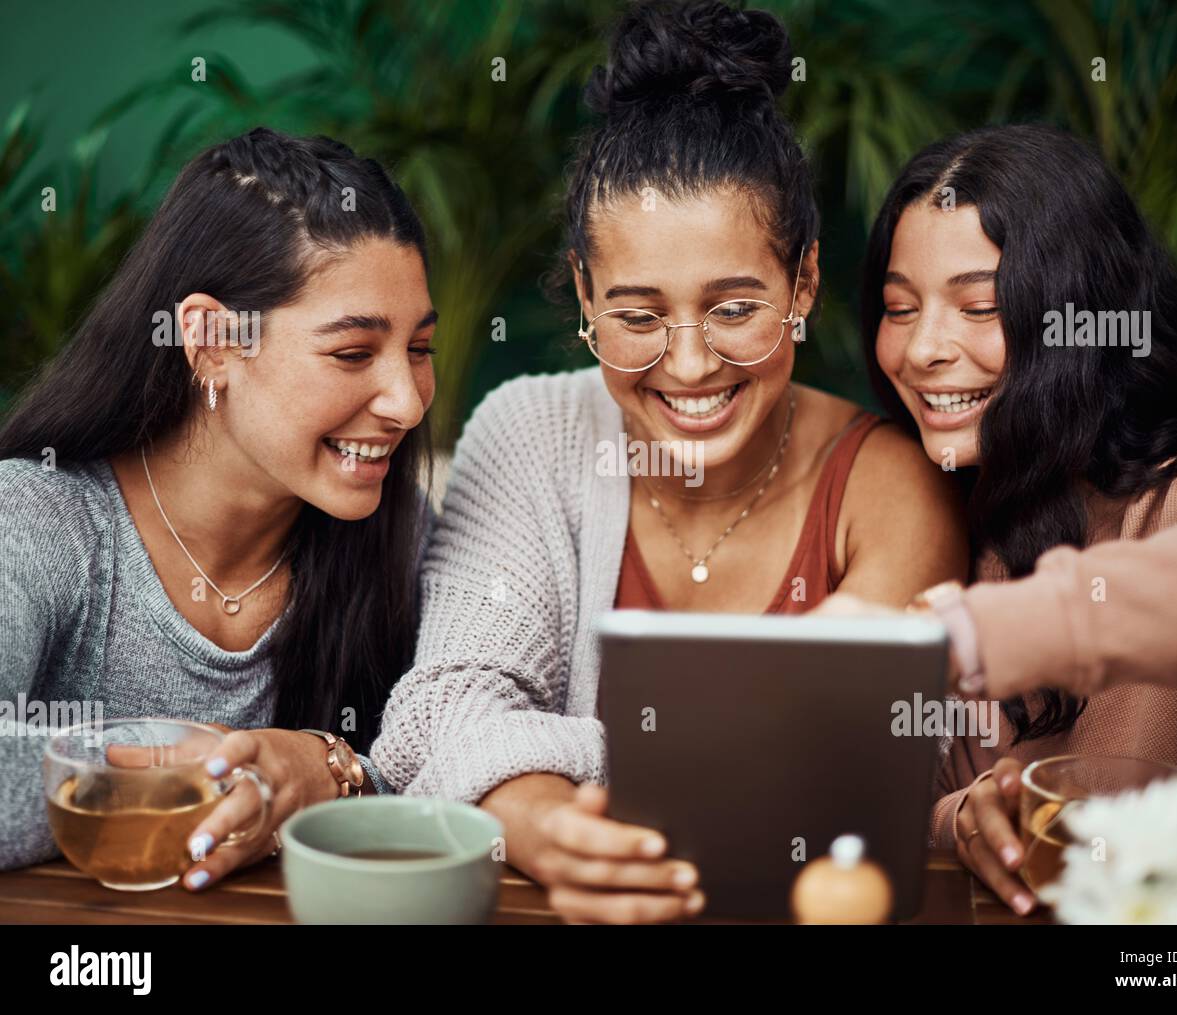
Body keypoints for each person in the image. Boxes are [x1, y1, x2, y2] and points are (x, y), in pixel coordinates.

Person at [370, 0, 967, 924]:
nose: (688, 366)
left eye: (734, 309)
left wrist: (524, 767)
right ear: (583, 291)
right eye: (639, 317)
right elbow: (439, 710)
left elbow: (826, 768)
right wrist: (540, 824)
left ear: (803, 281)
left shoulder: (886, 488)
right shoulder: (529, 431)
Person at [820, 123, 1177, 916]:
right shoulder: (967, 530)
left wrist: (972, 635)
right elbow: (913, 796)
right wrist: (961, 819)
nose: (922, 349)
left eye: (978, 306)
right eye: (899, 308)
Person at [0, 127, 437, 890]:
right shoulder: (37, 518)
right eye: (353, 353)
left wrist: (325, 767)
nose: (405, 401)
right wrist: (223, 770)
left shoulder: (402, 530)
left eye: (420, 348)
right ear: (209, 340)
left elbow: (467, 752)